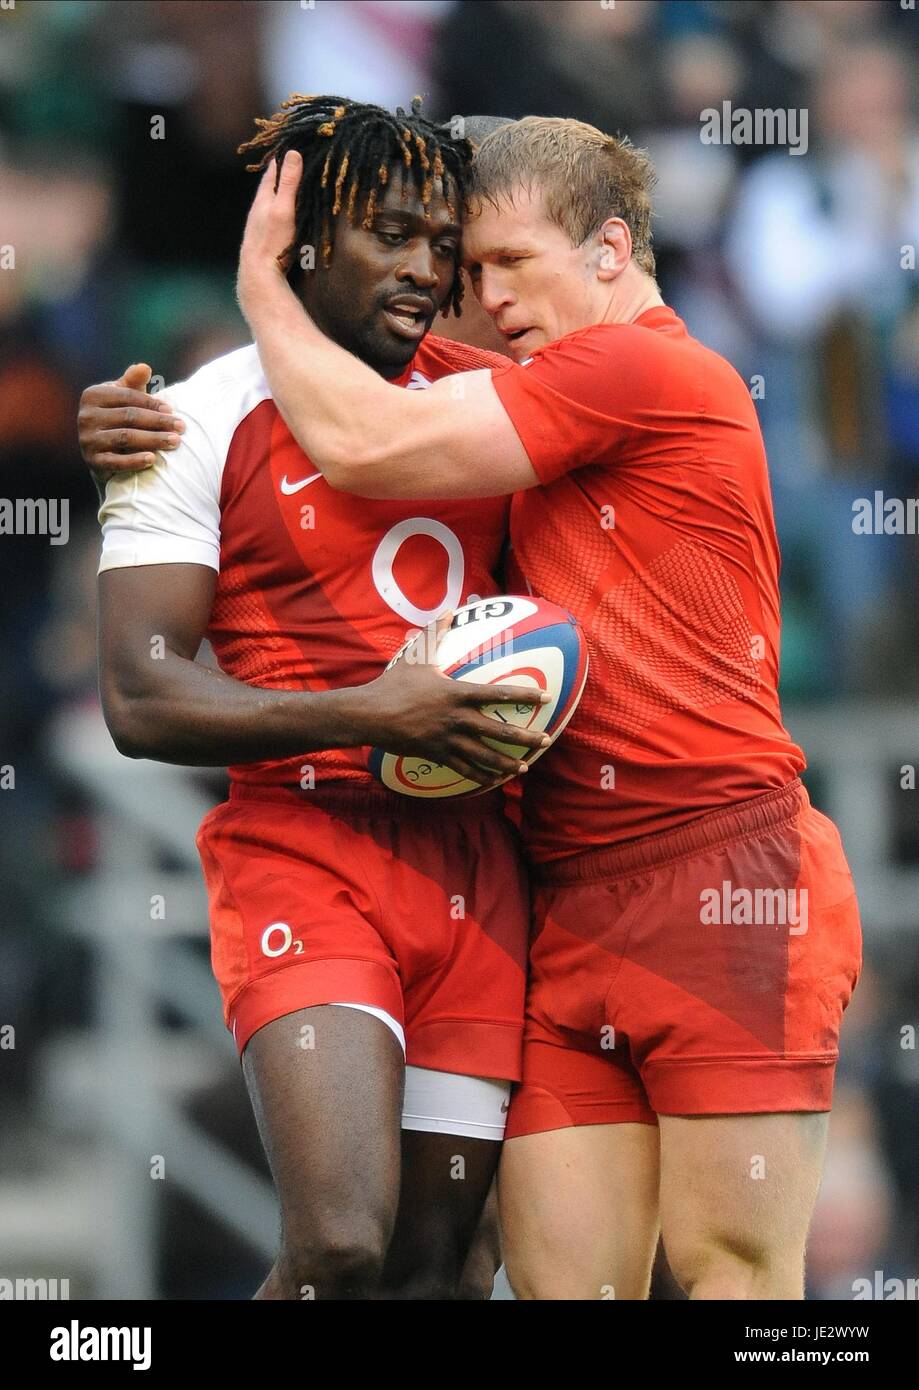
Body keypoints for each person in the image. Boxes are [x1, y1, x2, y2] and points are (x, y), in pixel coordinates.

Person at [225, 114, 863, 1301]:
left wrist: (264, 289)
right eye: (469, 273)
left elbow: (363, 437)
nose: (485, 295)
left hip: (721, 874)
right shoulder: (545, 394)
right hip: (569, 895)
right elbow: (375, 393)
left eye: (511, 263)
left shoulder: (649, 365)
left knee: (734, 1278)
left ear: (611, 248)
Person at [85, 96, 551, 1301]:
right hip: (304, 850)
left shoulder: (498, 406)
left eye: (441, 244)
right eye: (390, 232)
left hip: (478, 868)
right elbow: (140, 697)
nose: (422, 267)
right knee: (340, 1241)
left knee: (434, 1269)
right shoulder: (183, 420)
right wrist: (370, 713)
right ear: (296, 240)